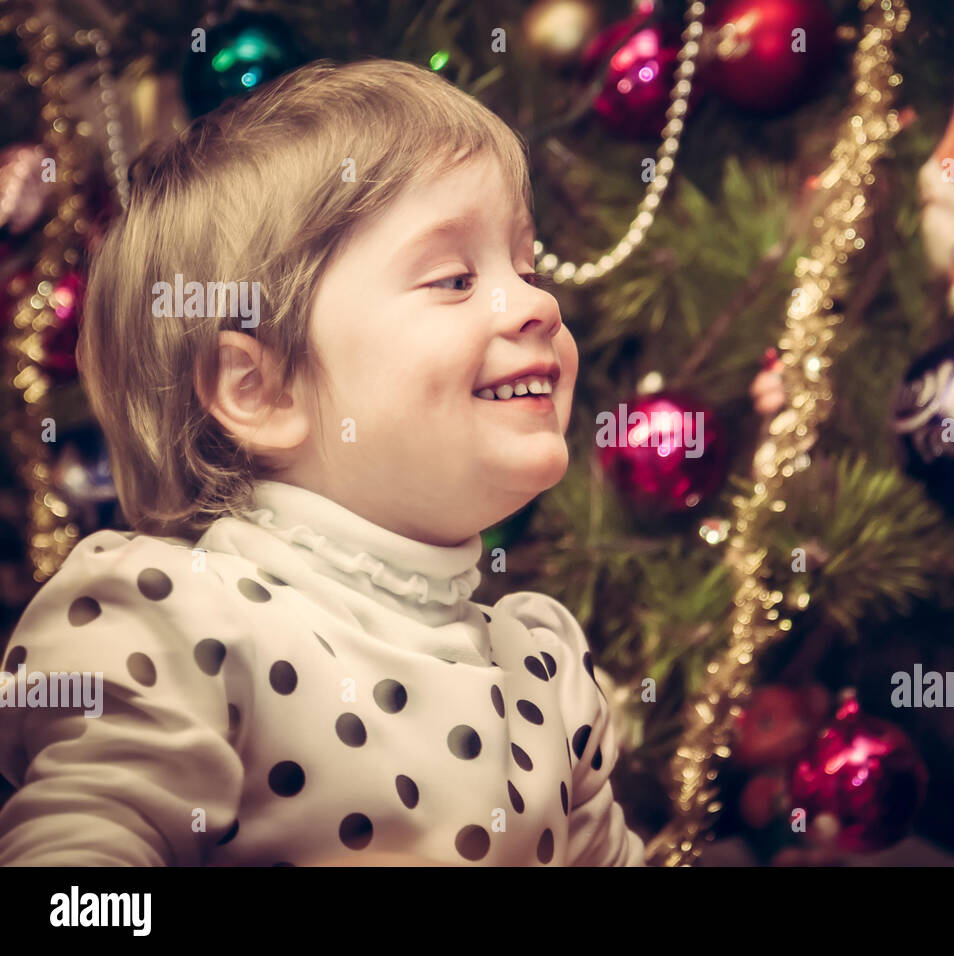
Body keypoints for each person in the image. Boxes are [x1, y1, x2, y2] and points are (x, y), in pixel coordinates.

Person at [0, 59, 645, 866]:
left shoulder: (543, 671)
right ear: (261, 389)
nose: (538, 304)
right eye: (454, 278)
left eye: (527, 267)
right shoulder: (176, 623)